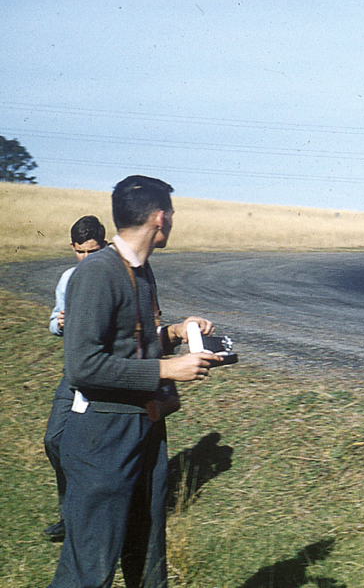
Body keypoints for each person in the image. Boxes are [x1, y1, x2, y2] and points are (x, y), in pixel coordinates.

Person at [49, 175, 218, 588]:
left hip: (145, 429)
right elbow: (84, 366)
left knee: (146, 561)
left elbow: (128, 346)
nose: (173, 220)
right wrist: (167, 369)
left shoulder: (140, 272)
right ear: (160, 217)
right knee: (89, 570)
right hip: (101, 438)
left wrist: (176, 333)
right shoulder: (96, 273)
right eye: (172, 213)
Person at [42, 215, 108, 542]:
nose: (86, 259)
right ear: (72, 248)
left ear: (105, 246)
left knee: (94, 451)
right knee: (54, 440)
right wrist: (61, 323)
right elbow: (54, 321)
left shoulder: (115, 276)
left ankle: (92, 521)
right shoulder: (68, 278)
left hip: (107, 375)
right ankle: (69, 518)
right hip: (75, 374)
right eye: (80, 252)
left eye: (93, 252)